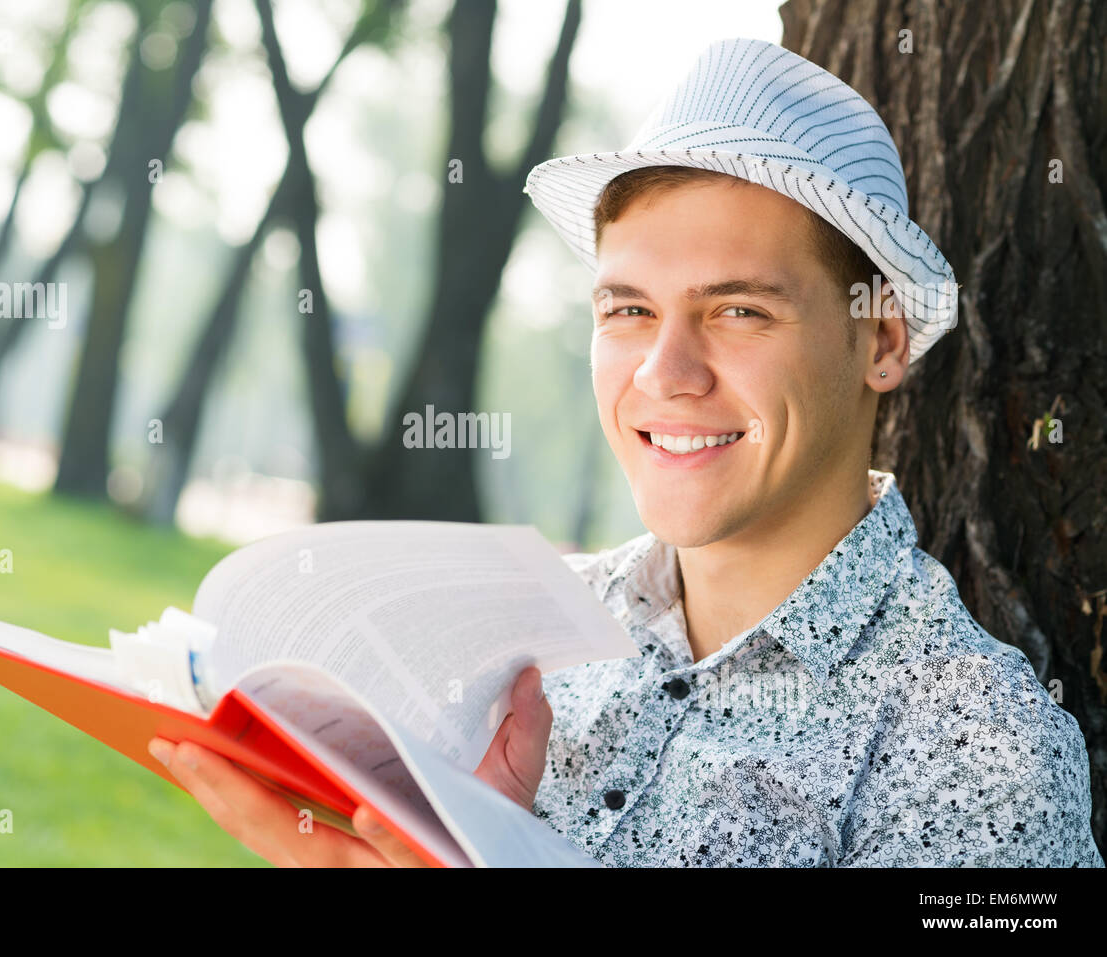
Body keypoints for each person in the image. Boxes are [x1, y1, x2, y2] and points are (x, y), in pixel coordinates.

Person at [147, 36, 1104, 867]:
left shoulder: (981, 753)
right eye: (628, 309)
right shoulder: (513, 652)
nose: (665, 372)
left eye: (738, 310)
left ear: (882, 341)